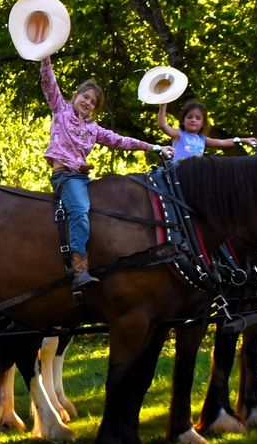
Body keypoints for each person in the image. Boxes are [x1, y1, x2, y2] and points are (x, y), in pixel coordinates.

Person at [40, 56, 171, 289]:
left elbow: (121, 141)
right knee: (80, 211)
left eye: (93, 102)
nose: (88, 102)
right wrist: (45, 55)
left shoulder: (93, 129)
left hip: (82, 178)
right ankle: (79, 269)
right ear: (76, 96)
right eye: (85, 97)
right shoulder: (61, 110)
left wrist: (154, 147)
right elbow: (49, 83)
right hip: (66, 176)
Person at [157, 101, 256, 159]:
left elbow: (223, 143)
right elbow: (162, 125)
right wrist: (163, 103)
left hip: (197, 174)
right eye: (190, 117)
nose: (193, 120)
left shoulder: (203, 139)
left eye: (198, 118)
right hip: (179, 174)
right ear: (183, 121)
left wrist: (244, 140)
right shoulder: (178, 134)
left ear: (203, 124)